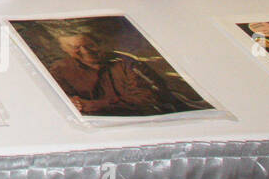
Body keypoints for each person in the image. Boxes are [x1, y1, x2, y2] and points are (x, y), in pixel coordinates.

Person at [49, 30, 190, 116]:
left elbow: (147, 99)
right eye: (76, 48)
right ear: (64, 50)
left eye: (90, 45)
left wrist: (92, 105)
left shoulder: (127, 63)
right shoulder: (59, 70)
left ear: (100, 44)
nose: (86, 51)